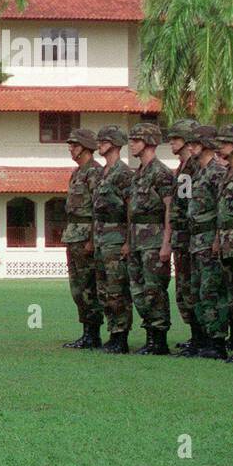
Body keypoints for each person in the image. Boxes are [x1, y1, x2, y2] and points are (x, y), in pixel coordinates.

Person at [126, 121, 174, 354]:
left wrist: (166, 243)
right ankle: (150, 336)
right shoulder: (138, 174)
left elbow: (169, 209)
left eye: (136, 140)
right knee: (139, 290)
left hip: (154, 240)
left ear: (148, 142)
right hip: (137, 240)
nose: (132, 144)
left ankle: (159, 340)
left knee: (155, 290)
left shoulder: (161, 173)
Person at [187, 125, 229, 359]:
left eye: (194, 143)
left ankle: (218, 341)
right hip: (196, 240)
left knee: (212, 291)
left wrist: (216, 240)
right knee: (198, 292)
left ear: (204, 145)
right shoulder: (199, 172)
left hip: (209, 240)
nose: (190, 147)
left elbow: (221, 211)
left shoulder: (216, 173)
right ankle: (205, 338)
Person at [91, 126, 134, 353]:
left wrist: (128, 241)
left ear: (115, 144)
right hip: (101, 239)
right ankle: (112, 332)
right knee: (104, 290)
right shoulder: (101, 173)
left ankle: (121, 336)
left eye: (104, 141)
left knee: (118, 289)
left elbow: (130, 209)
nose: (99, 144)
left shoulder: (124, 174)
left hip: (116, 238)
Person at [62, 128, 102, 347]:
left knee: (88, 287)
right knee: (77, 287)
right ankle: (86, 331)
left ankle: (93, 333)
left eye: (74, 145)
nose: (71, 149)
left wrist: (93, 240)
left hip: (86, 233)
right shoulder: (77, 172)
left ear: (86, 147)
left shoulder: (94, 172)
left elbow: (98, 208)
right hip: (73, 234)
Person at [165, 120, 200, 352]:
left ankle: (202, 337)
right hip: (181, 237)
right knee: (184, 289)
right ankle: (195, 336)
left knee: (195, 288)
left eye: (176, 138)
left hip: (191, 237)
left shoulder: (193, 168)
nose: (172, 142)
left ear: (188, 142)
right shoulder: (181, 169)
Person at [215, 124, 233, 363]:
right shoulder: (227, 173)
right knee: (232, 297)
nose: (220, 147)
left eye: (225, 142)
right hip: (228, 243)